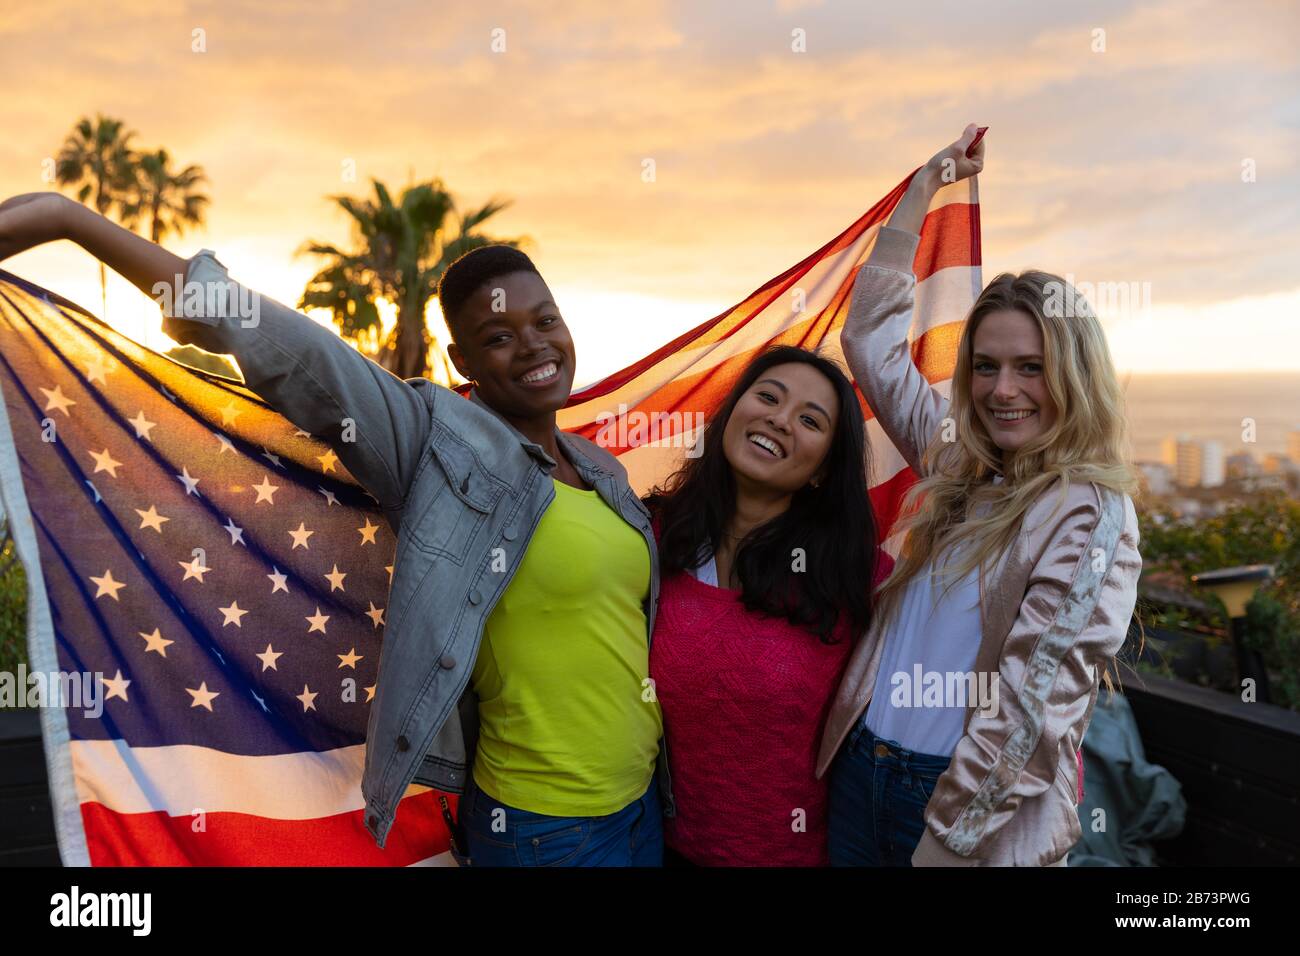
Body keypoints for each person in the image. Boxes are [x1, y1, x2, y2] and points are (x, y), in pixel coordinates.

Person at [0, 194, 669, 865]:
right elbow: (281, 346)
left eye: (544, 320)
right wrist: (69, 220)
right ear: (461, 361)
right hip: (546, 826)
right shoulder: (433, 442)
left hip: (645, 801)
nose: (532, 345)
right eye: (498, 336)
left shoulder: (600, 469)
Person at [817, 125, 1143, 867]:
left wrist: (948, 837)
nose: (1003, 390)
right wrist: (923, 189)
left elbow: (1032, 704)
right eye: (987, 365)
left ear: (1075, 373)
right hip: (861, 769)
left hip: (955, 808)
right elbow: (867, 339)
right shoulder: (959, 460)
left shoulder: (1089, 510)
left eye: (1030, 367)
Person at [646, 345, 893, 866]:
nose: (779, 420)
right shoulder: (651, 540)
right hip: (650, 849)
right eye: (767, 397)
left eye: (809, 419)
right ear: (734, 410)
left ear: (825, 469)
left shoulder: (860, 581)